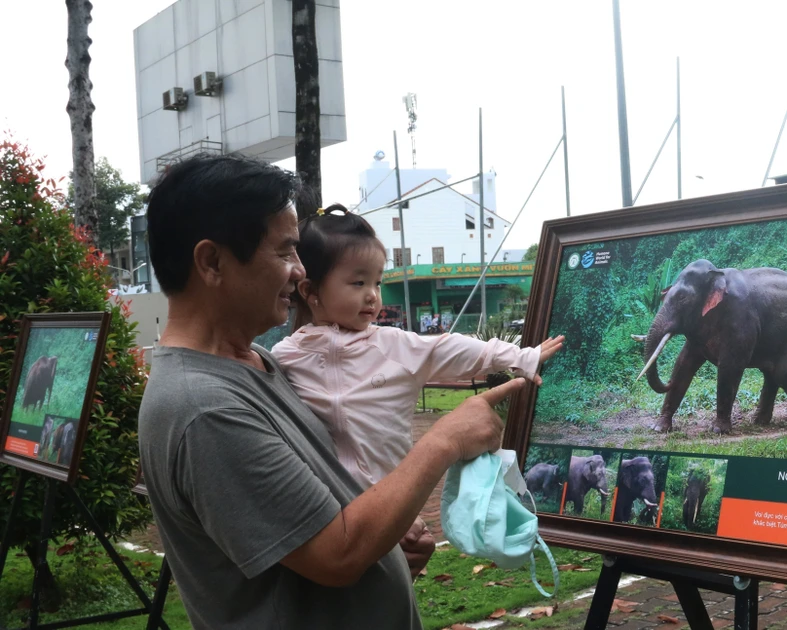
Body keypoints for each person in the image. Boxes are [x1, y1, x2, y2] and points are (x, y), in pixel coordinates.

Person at [138, 154, 523, 629]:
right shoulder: (203, 407)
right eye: (284, 252)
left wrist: (389, 548)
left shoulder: (260, 365)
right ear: (212, 261)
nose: (301, 272)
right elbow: (336, 554)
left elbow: (320, 516)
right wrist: (444, 439)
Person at [270, 206, 563, 558]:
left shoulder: (393, 346)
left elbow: (450, 348)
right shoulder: (284, 357)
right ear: (309, 289)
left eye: (377, 282)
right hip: (326, 511)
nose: (372, 295)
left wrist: (521, 356)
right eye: (358, 282)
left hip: (389, 503)